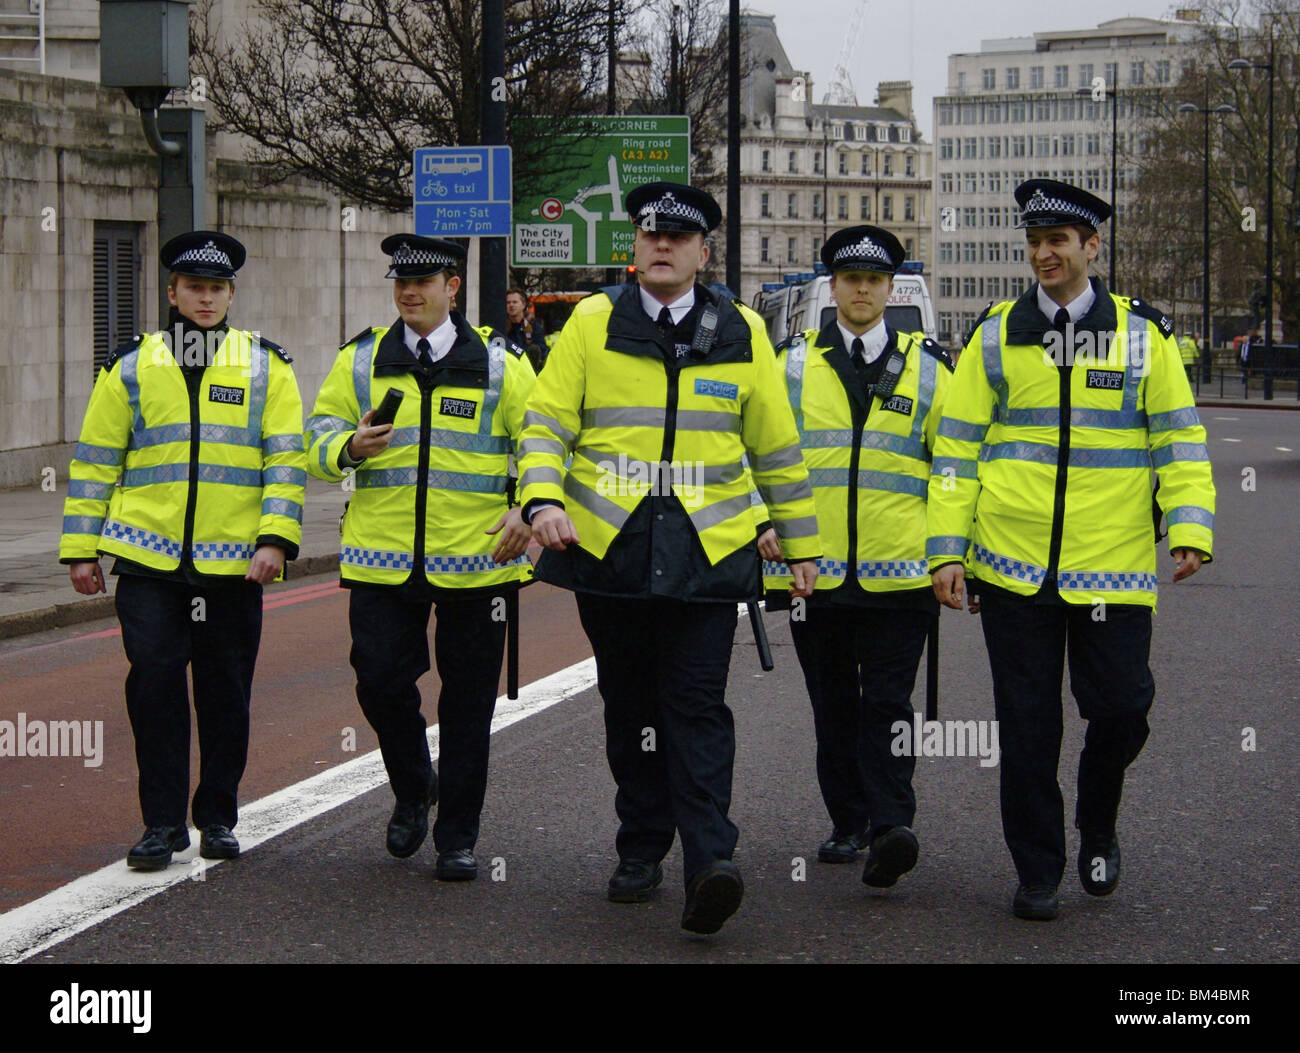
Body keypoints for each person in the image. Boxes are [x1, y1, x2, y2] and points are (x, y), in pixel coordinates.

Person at [517, 181, 820, 934]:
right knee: (631, 706)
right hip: (611, 549)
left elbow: (777, 450)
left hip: (709, 555)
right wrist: (542, 499)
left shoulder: (744, 330)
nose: (661, 245)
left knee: (695, 706)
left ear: (702, 253)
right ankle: (641, 844)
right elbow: (547, 422)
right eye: (649, 233)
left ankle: (711, 859)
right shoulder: (591, 323)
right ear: (634, 246)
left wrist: (802, 547)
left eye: (677, 237)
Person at [927, 179, 1216, 921]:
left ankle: (1099, 820)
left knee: (1121, 709)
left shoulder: (1142, 337)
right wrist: (947, 549)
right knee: (1026, 726)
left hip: (1111, 569)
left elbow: (1178, 437)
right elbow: (955, 451)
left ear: (1092, 246)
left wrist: (1189, 525)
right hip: (1012, 565)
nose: (1045, 253)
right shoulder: (995, 334)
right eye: (1035, 241)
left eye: (1060, 240)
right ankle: (1038, 868)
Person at [60, 230, 306, 869]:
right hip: (147, 561)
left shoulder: (265, 366)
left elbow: (284, 462)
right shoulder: (131, 366)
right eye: (194, 287)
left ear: (231, 295)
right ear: (171, 292)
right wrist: (81, 550)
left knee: (226, 692)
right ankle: (161, 824)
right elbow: (95, 463)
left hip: (232, 566)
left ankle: (218, 818)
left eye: (217, 288)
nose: (205, 298)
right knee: (155, 687)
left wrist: (276, 539)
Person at [304, 234, 535, 881]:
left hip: (479, 561)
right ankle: (413, 786)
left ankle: (457, 837)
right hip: (382, 561)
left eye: (424, 280)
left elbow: (545, 438)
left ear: (452, 286)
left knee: (467, 706)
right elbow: (314, 439)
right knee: (379, 682)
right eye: (401, 280)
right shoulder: (361, 360)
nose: (409, 290)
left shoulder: (499, 363)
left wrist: (529, 506)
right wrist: (346, 446)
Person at [763, 225, 952, 889]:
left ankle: (892, 823)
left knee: (889, 703)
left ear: (891, 288)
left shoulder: (930, 368)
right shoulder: (790, 365)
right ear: (832, 287)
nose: (863, 290)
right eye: (851, 279)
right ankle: (847, 819)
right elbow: (762, 453)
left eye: (874, 280)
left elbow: (952, 466)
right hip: (815, 573)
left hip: (902, 571)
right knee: (833, 704)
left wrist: (951, 552)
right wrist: (766, 523)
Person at [506, 288, 547, 374]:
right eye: (508, 302)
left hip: (529, 374)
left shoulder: (534, 328)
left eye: (515, 302)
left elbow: (541, 351)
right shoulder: (502, 328)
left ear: (523, 305)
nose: (511, 305)